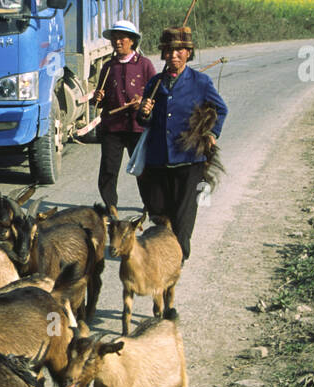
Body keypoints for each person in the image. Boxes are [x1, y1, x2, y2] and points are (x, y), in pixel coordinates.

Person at [134, 25, 228, 262]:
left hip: (189, 159)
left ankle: (178, 256)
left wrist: (212, 132)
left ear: (188, 53)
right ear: (163, 54)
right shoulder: (154, 84)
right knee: (158, 210)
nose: (173, 55)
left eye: (179, 51)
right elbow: (144, 121)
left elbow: (221, 109)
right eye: (168, 51)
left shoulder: (200, 82)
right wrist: (144, 112)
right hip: (159, 159)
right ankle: (167, 247)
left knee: (184, 215)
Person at [92, 19, 156, 210]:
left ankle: (150, 205)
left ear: (132, 42)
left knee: (142, 169)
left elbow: (155, 94)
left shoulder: (144, 65)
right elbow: (99, 102)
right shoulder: (108, 67)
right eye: (115, 39)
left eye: (122, 39)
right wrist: (98, 97)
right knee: (108, 171)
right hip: (112, 127)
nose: (117, 42)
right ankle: (111, 207)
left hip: (137, 127)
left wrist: (142, 101)